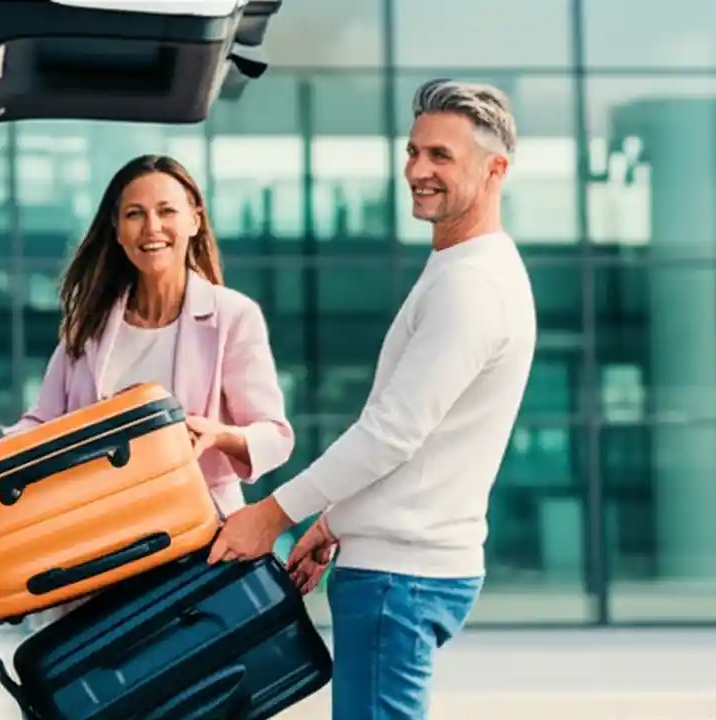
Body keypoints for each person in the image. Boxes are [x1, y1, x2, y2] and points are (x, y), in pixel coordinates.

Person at [206, 79, 537, 718]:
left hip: (401, 577)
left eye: (441, 156)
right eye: (414, 152)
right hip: (398, 568)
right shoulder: (462, 269)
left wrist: (272, 515)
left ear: (496, 169)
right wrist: (332, 522)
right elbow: (421, 442)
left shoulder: (472, 286)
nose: (418, 170)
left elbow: (392, 433)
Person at [4, 154, 294, 518]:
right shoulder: (90, 322)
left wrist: (218, 435)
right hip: (101, 532)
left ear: (194, 220)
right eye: (134, 214)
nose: (151, 227)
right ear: (117, 228)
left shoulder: (232, 317)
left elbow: (275, 437)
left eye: (166, 211)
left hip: (200, 531)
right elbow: (41, 423)